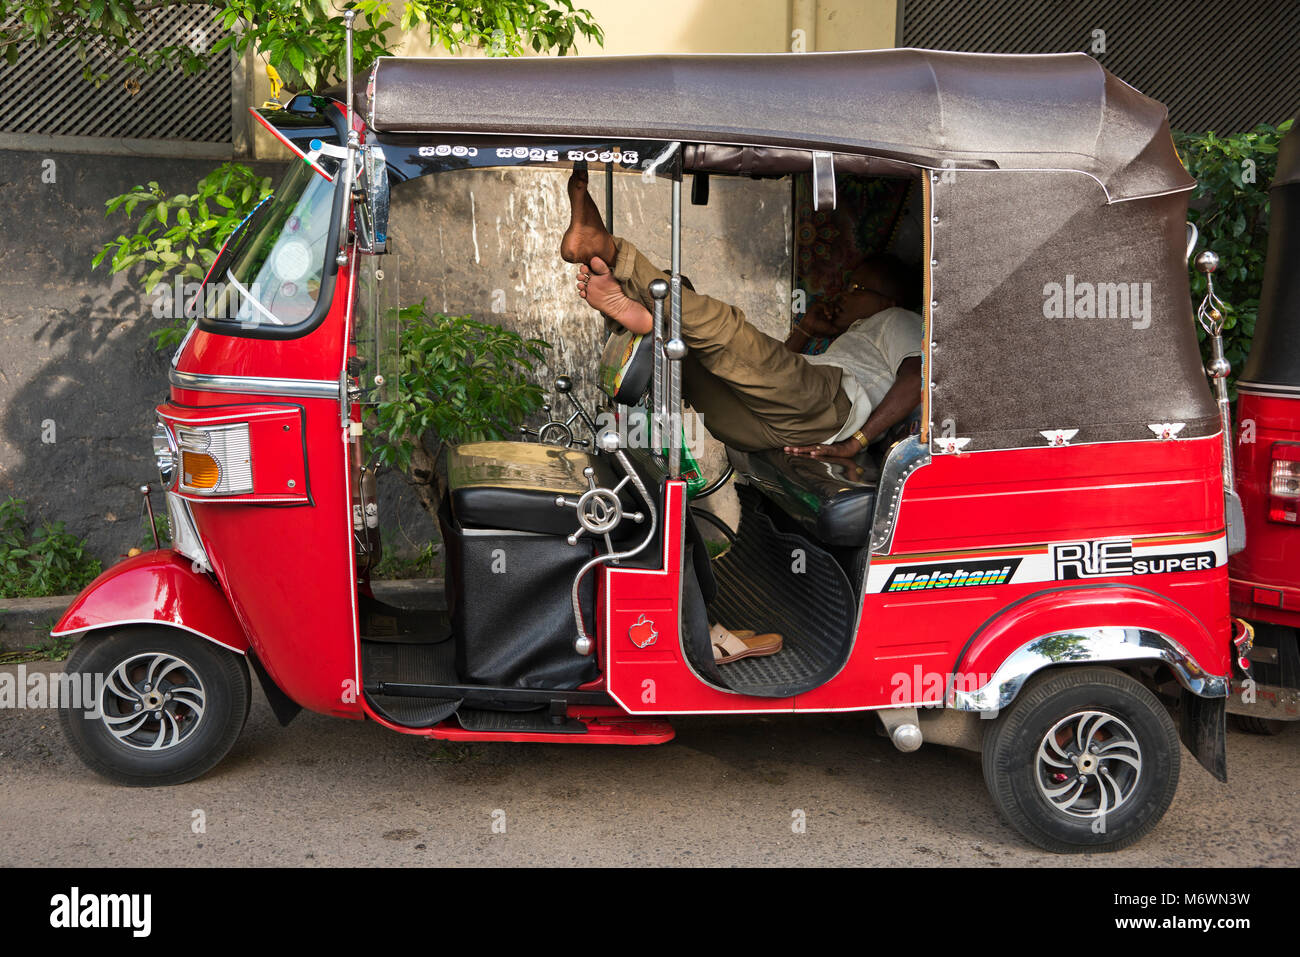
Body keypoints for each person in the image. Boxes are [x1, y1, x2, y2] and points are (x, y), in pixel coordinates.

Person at [560, 170, 924, 460]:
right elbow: (765, 373)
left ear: (887, 301)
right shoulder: (853, 335)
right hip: (772, 424)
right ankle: (643, 314)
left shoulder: (901, 320)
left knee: (725, 333)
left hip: (828, 411)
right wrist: (807, 329)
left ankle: (611, 252)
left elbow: (918, 380)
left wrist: (858, 442)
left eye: (857, 289)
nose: (843, 296)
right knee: (683, 351)